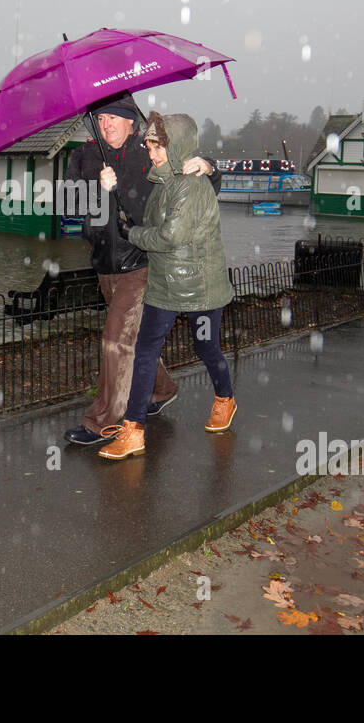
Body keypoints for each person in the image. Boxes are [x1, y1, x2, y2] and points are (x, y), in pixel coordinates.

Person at [62, 97, 221, 446]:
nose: (106, 125)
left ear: (131, 123)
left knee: (116, 340)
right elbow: (68, 203)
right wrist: (95, 190)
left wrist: (209, 165)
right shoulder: (85, 156)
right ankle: (161, 390)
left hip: (144, 262)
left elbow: (198, 183)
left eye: (114, 119)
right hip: (105, 264)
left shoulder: (148, 151)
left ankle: (102, 422)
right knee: (131, 339)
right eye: (101, 119)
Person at [98, 112, 236, 460]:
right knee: (145, 353)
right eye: (150, 146)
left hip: (200, 289)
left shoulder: (190, 185)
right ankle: (133, 430)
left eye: (159, 147)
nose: (152, 153)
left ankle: (225, 398)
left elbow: (171, 236)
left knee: (206, 348)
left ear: (178, 147)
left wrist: (133, 234)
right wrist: (112, 190)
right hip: (163, 285)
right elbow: (146, 215)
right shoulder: (159, 182)